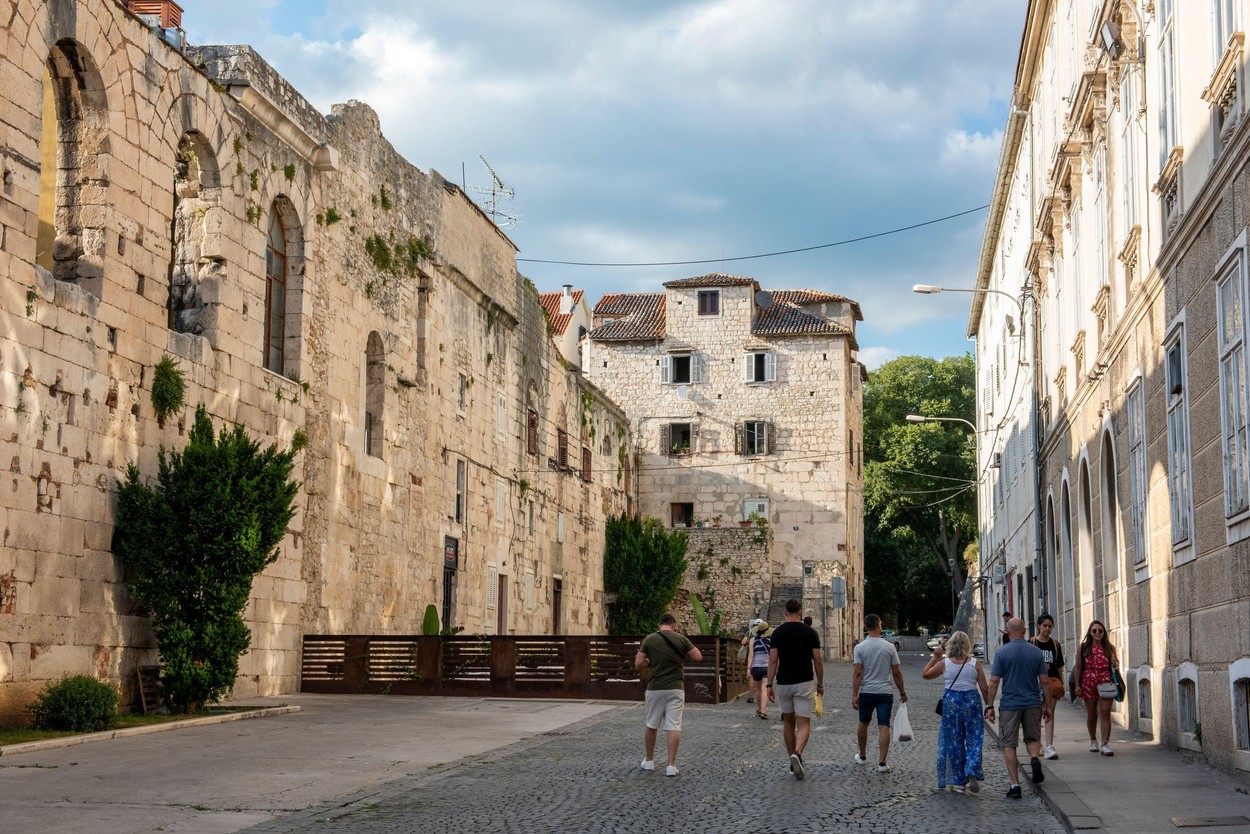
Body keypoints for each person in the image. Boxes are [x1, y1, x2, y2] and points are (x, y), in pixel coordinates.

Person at [986, 617, 1052, 799]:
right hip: (1032, 702)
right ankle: (1033, 759)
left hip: (1010, 704)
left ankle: (1015, 785)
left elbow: (993, 682)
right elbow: (1045, 682)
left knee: (1008, 743)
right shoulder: (1036, 652)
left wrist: (990, 705)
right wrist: (1047, 705)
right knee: (1032, 738)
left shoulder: (1002, 653)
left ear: (1007, 632)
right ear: (1024, 631)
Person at [922, 630, 990, 793]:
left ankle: (960, 782)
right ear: (967, 645)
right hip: (971, 701)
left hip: (951, 703)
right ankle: (972, 769)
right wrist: (989, 705)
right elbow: (984, 687)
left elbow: (925, 675)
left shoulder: (945, 664)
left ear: (950, 644)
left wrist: (934, 658)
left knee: (954, 741)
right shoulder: (975, 663)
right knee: (974, 738)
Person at [635, 613, 702, 776]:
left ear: (660, 625)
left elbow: (638, 662)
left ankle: (649, 761)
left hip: (655, 687)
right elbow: (698, 656)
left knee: (651, 724)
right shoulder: (681, 639)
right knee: (673, 725)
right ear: (673, 625)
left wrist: (650, 663)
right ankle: (671, 765)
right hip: (675, 687)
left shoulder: (649, 639)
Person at [766, 598, 823, 780]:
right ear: (801, 612)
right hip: (804, 682)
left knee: (788, 723)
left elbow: (773, 661)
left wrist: (768, 684)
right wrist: (820, 683)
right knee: (804, 723)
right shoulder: (810, 633)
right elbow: (818, 660)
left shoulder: (777, 633)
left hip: (783, 682)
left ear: (785, 612)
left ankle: (792, 763)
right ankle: (797, 754)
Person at [851, 613, 908, 773]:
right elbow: (896, 672)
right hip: (885, 692)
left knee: (863, 722)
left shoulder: (860, 648)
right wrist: (902, 692)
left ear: (866, 627)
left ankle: (862, 756)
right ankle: (882, 763)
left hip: (867, 691)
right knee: (884, 725)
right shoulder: (889, 647)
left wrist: (855, 694)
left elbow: (857, 673)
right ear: (878, 626)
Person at [1071, 619, 1120, 756]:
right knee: (1092, 715)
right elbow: (1079, 667)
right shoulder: (1084, 647)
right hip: (1088, 682)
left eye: (1100, 630)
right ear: (1090, 633)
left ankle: (1105, 743)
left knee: (1105, 713)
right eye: (1095, 631)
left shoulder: (1109, 647)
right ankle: (1093, 740)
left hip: (1105, 682)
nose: (1097, 633)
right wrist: (1077, 685)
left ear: (1104, 632)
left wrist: (1115, 662)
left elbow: (1115, 666)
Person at [1028, 613, 1066, 759]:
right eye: (1044, 626)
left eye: (1050, 626)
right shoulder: (1031, 643)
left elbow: (1059, 666)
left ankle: (1049, 745)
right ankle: (1039, 744)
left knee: (1049, 713)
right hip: (1035, 683)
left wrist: (1060, 684)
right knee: (1037, 714)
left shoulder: (1055, 645)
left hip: (1051, 683)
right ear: (1039, 626)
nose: (1047, 629)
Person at [747, 619, 772, 719]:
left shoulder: (752, 640)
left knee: (758, 690)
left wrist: (749, 668)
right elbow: (773, 656)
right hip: (767, 666)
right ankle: (763, 710)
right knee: (764, 688)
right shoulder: (771, 641)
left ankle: (759, 709)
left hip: (756, 667)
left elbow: (751, 655)